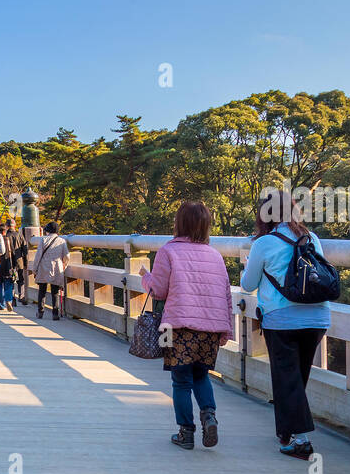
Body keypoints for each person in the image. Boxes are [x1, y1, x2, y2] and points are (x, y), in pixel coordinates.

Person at [240, 188, 332, 459]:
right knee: (296, 377)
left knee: (287, 377)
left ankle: (301, 439)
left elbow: (248, 285)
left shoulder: (264, 243)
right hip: (317, 316)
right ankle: (287, 431)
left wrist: (247, 265)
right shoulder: (311, 237)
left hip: (281, 319)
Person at [138, 201, 233, 450]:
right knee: (201, 374)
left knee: (181, 381)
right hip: (210, 328)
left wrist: (145, 277)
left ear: (179, 223)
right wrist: (226, 329)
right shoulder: (215, 255)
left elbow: (158, 291)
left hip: (176, 327)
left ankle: (186, 433)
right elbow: (226, 295)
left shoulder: (168, 251)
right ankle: (209, 415)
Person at [30, 221, 68, 320]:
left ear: (48, 231)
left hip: (44, 267)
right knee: (55, 291)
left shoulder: (43, 240)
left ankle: (40, 311)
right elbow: (66, 256)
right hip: (56, 268)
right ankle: (55, 313)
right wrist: (64, 265)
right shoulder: (62, 241)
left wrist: (34, 269)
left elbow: (38, 256)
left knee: (42, 290)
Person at [5, 222, 29, 304]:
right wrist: (26, 262)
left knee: (11, 279)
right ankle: (21, 296)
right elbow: (25, 250)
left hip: (9, 261)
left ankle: (12, 298)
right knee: (20, 279)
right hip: (19, 261)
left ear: (7, 226)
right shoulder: (19, 235)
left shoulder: (6, 236)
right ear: (14, 226)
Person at [0, 223, 15, 311]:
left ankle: (0, 304)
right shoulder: (8, 239)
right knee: (8, 284)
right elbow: (13, 253)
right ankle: (8, 300)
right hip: (8, 264)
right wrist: (14, 265)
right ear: (5, 231)